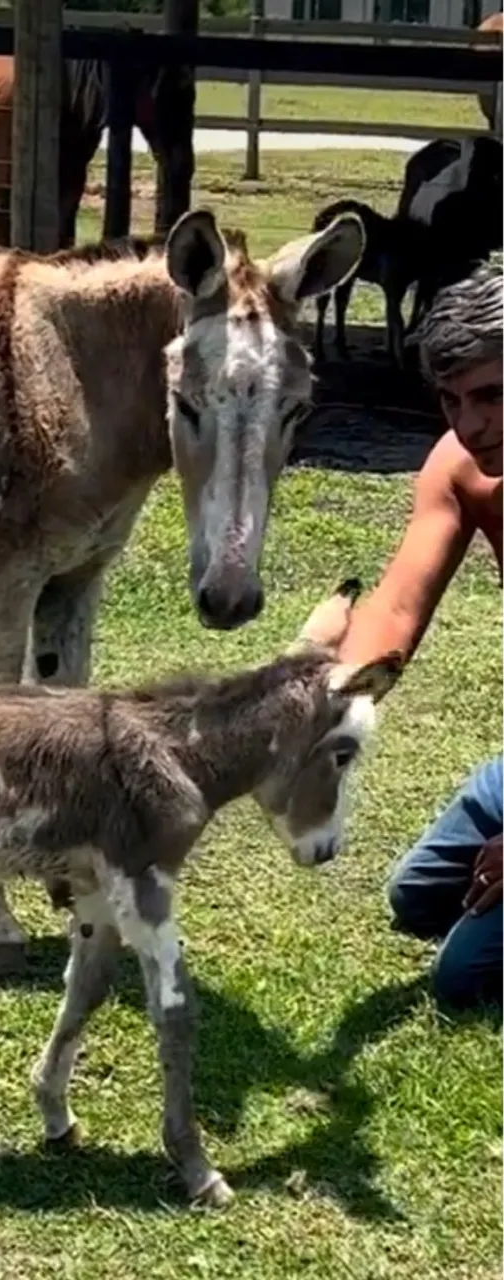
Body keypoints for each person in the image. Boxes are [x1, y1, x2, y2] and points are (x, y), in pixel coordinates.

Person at [337, 258, 502, 1010]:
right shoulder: (461, 466)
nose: (470, 424)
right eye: (451, 399)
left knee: (459, 979)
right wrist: (323, 702)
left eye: (492, 395)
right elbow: (397, 609)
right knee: (418, 897)